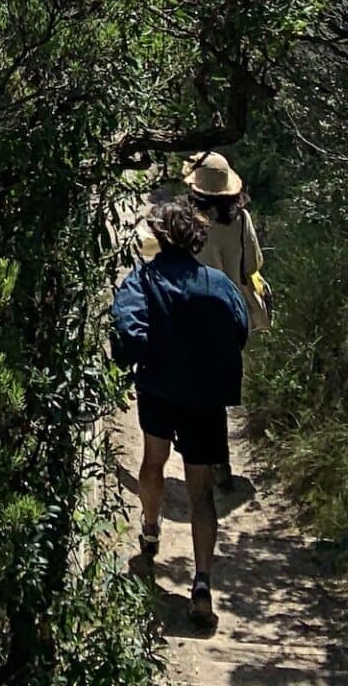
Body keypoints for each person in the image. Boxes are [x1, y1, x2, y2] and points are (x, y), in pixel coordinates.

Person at [112, 200, 250, 631]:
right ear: (195, 239)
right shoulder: (217, 283)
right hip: (205, 398)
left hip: (158, 389)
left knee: (153, 460)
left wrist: (142, 357)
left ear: (160, 238)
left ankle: (150, 529)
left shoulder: (143, 279)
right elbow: (240, 328)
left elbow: (127, 328)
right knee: (201, 491)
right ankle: (203, 581)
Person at [184, 151, 269, 489]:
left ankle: (202, 459)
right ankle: (219, 464)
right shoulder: (242, 220)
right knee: (215, 395)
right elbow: (252, 266)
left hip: (196, 317)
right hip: (233, 318)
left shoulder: (190, 223)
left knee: (195, 388)